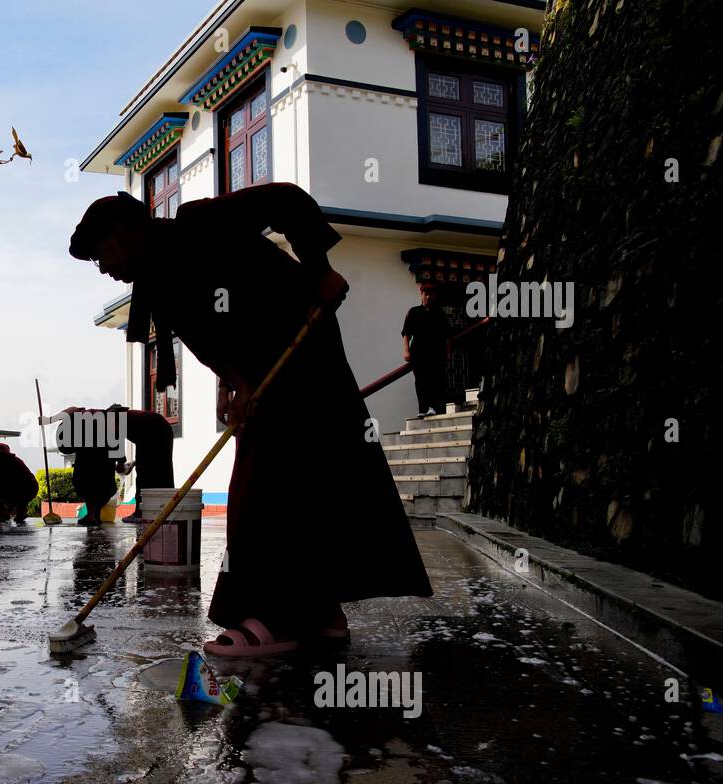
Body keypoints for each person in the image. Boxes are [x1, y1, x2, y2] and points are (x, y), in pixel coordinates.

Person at [70, 185, 431, 656]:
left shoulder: (198, 222)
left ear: (123, 234)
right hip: (260, 366)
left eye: (101, 254)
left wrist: (319, 270)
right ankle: (321, 613)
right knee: (308, 479)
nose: (104, 269)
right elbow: (211, 335)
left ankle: (274, 620)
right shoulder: (157, 279)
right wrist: (232, 382)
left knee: (265, 485)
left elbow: (288, 201)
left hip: (299, 343)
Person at [107, 404, 174, 524]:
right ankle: (167, 510)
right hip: (163, 428)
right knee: (163, 468)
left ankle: (140, 513)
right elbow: (152, 455)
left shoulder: (114, 419)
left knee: (144, 474)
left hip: (150, 430)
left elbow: (116, 443)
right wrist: (133, 463)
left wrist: (121, 463)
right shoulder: (131, 417)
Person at [55, 407, 118, 527]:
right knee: (102, 487)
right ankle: (94, 514)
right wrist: (120, 461)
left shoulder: (76, 420)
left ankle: (91, 515)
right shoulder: (104, 417)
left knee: (88, 487)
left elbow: (65, 447)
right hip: (104, 460)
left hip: (89, 461)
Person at [401, 283, 451, 417]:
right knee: (421, 381)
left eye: (430, 294)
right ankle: (422, 409)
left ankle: (434, 407)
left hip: (436, 352)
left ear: (434, 296)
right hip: (418, 352)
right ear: (421, 295)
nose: (428, 297)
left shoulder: (440, 313)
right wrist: (406, 351)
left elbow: (446, 335)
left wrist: (447, 352)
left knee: (435, 380)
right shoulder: (414, 312)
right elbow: (406, 333)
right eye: (425, 294)